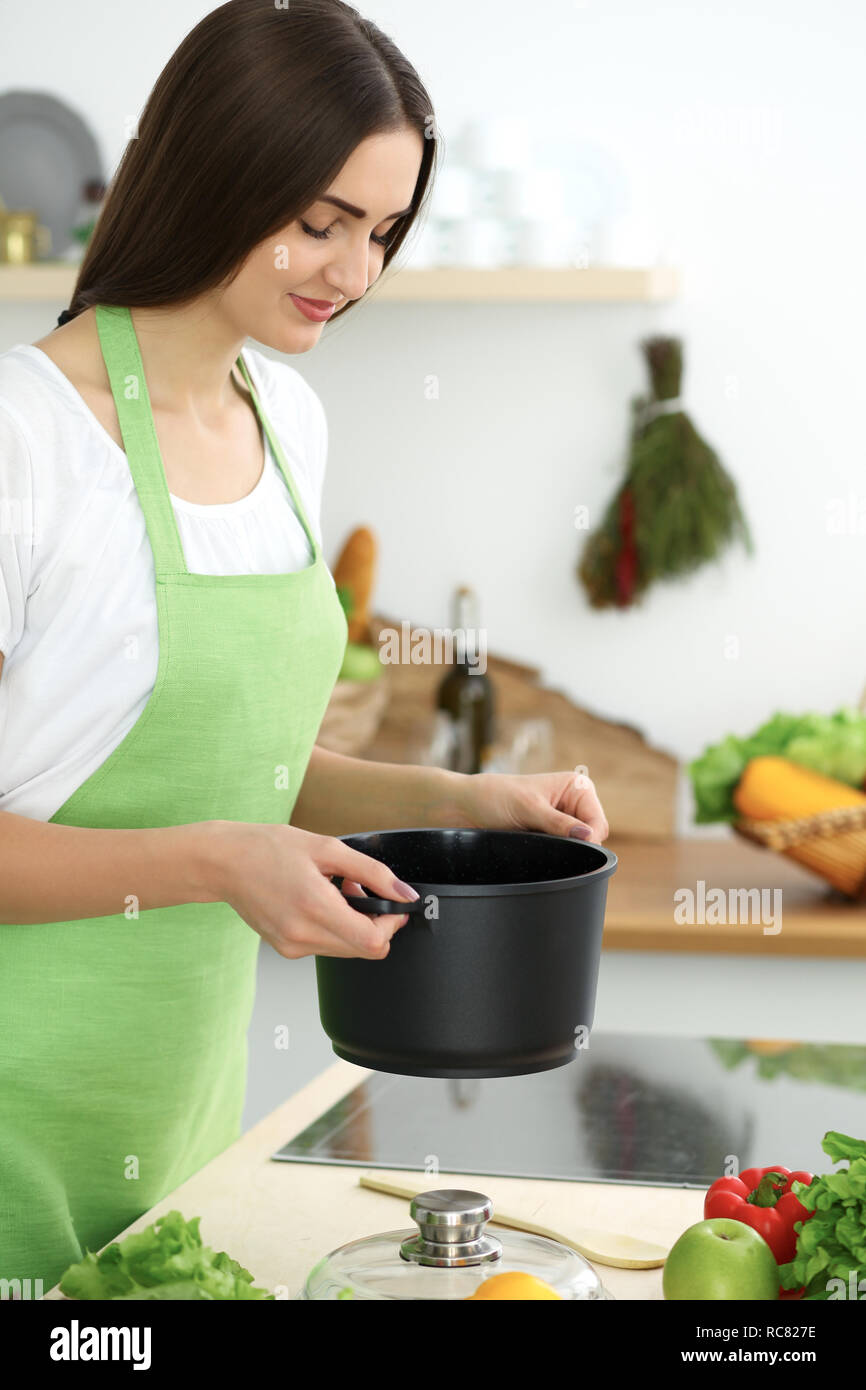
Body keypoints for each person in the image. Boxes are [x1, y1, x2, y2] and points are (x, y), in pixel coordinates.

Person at [0, 0, 608, 1289]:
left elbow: (246, 765)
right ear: (216, 171)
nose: (353, 272)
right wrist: (225, 863)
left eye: (382, 232)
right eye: (320, 221)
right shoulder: (26, 444)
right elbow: (220, 828)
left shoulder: (289, 425)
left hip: (166, 1115)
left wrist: (468, 806)